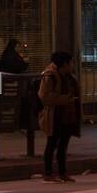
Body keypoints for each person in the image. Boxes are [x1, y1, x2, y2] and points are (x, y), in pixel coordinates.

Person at [38, 51, 80, 182]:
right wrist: (64, 99)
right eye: (71, 62)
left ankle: (62, 172)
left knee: (63, 145)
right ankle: (48, 173)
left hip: (67, 115)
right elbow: (44, 96)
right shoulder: (50, 76)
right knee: (52, 144)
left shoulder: (69, 77)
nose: (73, 65)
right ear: (64, 64)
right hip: (54, 115)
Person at [0, 38, 40, 157]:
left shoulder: (6, 55)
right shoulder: (13, 56)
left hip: (7, 85)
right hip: (15, 85)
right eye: (17, 46)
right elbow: (20, 67)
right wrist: (25, 61)